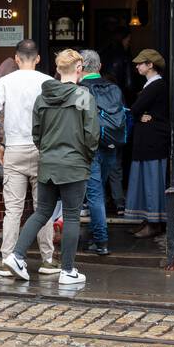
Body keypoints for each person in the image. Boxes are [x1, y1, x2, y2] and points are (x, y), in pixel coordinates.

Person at [2, 49, 98, 287]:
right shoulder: (83, 95)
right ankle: (67, 270)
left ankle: (16, 256)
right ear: (78, 69)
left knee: (41, 212)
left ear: (57, 69)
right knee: (72, 215)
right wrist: (85, 157)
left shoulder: (43, 97)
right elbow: (92, 134)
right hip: (74, 163)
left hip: (47, 162)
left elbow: (36, 133)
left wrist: (47, 152)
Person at [0, 39, 59, 278]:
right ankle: (47, 259)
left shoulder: (5, 82)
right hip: (41, 149)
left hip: (13, 148)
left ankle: (8, 259)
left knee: (12, 209)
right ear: (37, 59)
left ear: (16, 58)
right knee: (43, 207)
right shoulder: (48, 81)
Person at [77, 49, 125, 256]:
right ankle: (97, 235)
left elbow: (77, 121)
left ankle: (101, 240)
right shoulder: (114, 88)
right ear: (100, 67)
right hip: (111, 145)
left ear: (80, 68)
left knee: (95, 195)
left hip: (91, 147)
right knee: (100, 191)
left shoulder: (81, 90)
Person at [126, 49, 170, 239]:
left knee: (152, 181)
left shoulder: (156, 85)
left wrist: (138, 114)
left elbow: (135, 109)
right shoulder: (151, 85)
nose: (137, 66)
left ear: (150, 65)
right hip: (149, 142)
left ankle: (154, 223)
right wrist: (138, 115)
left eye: (141, 63)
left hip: (153, 143)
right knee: (147, 181)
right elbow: (137, 111)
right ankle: (148, 219)